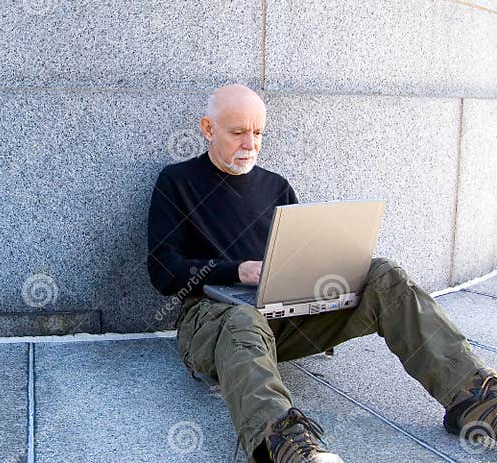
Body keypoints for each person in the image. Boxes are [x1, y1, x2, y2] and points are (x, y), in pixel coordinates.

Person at [146, 84, 497, 463]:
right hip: (212, 320)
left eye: (259, 132)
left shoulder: (276, 186)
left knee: (385, 275)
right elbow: (163, 271)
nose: (251, 143)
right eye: (238, 132)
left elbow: (299, 256)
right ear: (208, 128)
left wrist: (324, 274)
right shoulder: (176, 182)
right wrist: (236, 270)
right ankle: (283, 445)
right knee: (242, 316)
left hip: (282, 319)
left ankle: (472, 398)